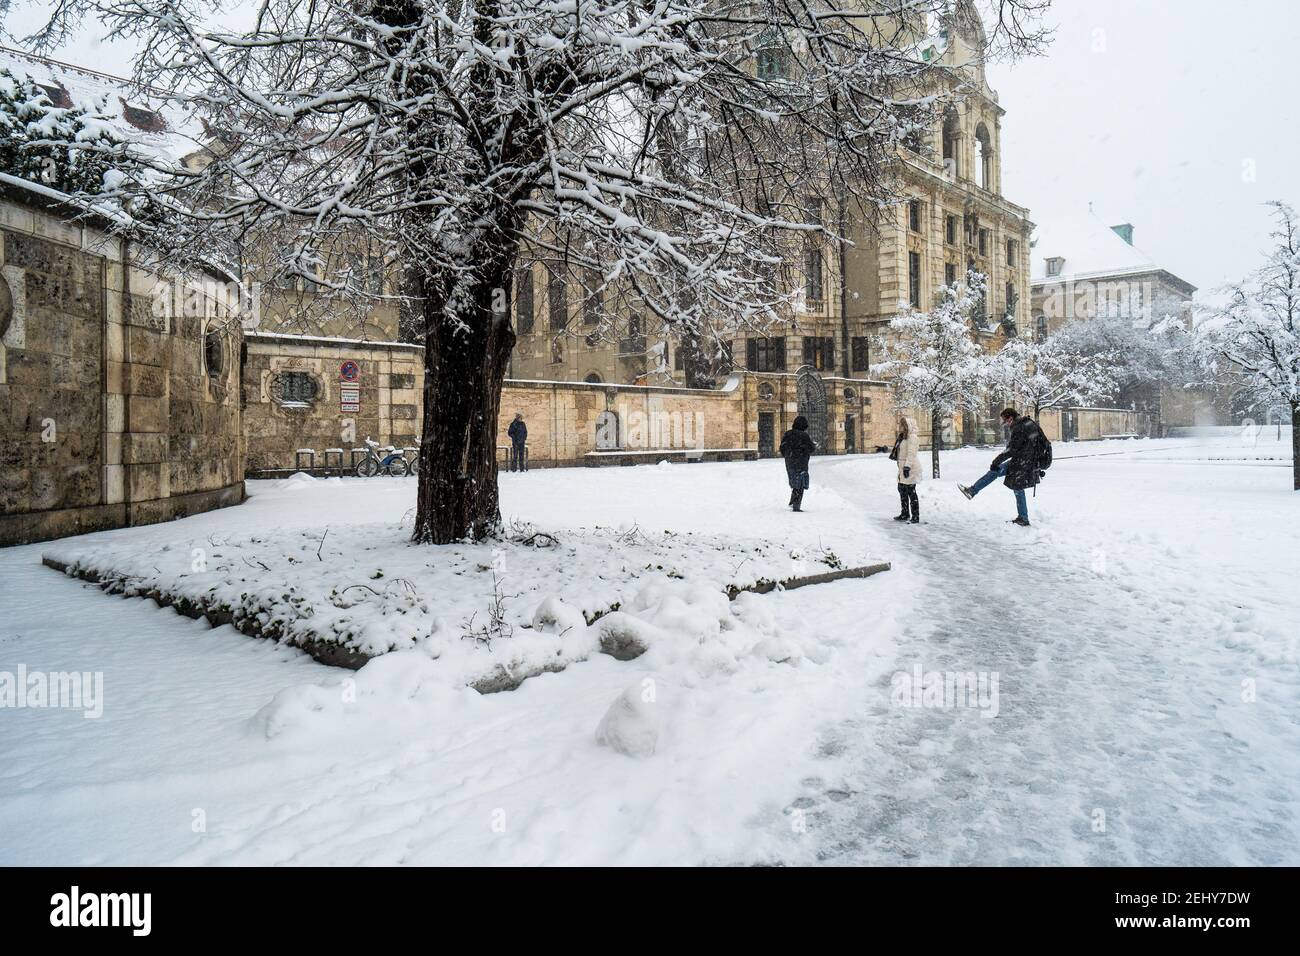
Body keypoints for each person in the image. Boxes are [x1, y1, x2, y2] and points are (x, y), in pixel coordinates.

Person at [957, 407, 1043, 526]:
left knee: (1008, 480)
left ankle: (973, 491)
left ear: (1010, 418)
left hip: (1023, 462)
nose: (1006, 424)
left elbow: (1011, 450)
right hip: (1025, 461)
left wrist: (996, 461)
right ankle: (1023, 517)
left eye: (1005, 421)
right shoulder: (1025, 423)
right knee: (1013, 485)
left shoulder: (1019, 427)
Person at [779, 415, 816, 512]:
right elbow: (811, 448)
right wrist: (804, 450)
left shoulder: (788, 434)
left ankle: (792, 502)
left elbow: (782, 447)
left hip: (790, 462)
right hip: (801, 462)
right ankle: (796, 505)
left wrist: (788, 455)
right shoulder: (804, 435)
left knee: (794, 481)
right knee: (800, 484)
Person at [892, 415, 921, 523]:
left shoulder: (912, 437)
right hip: (902, 467)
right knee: (902, 490)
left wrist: (907, 467)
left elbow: (911, 453)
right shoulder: (903, 437)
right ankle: (905, 513)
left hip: (910, 468)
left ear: (908, 426)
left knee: (911, 492)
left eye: (903, 425)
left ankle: (915, 516)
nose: (900, 427)